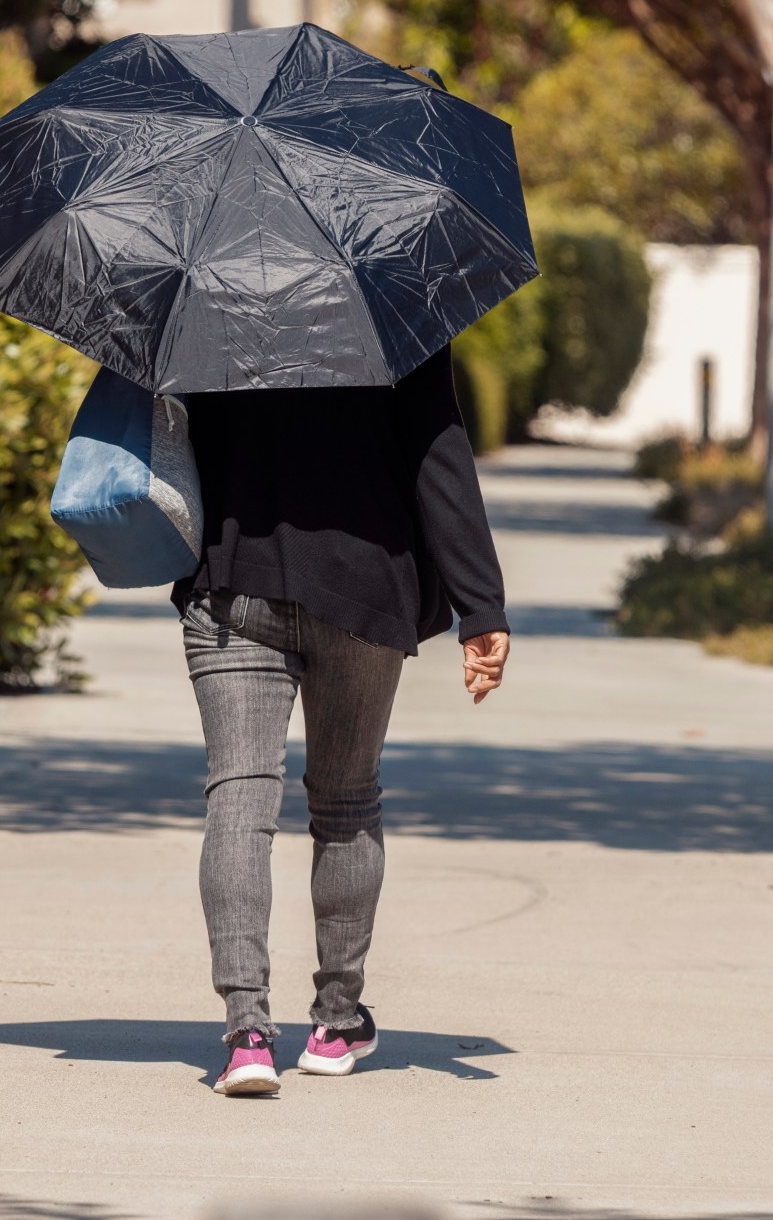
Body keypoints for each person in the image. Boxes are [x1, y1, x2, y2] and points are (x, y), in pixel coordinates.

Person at [171, 346, 510, 1097]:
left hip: (233, 580)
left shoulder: (209, 281)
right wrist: (479, 604)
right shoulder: (388, 291)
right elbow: (435, 446)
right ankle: (334, 1021)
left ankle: (248, 1033)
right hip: (364, 583)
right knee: (347, 800)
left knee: (239, 799)